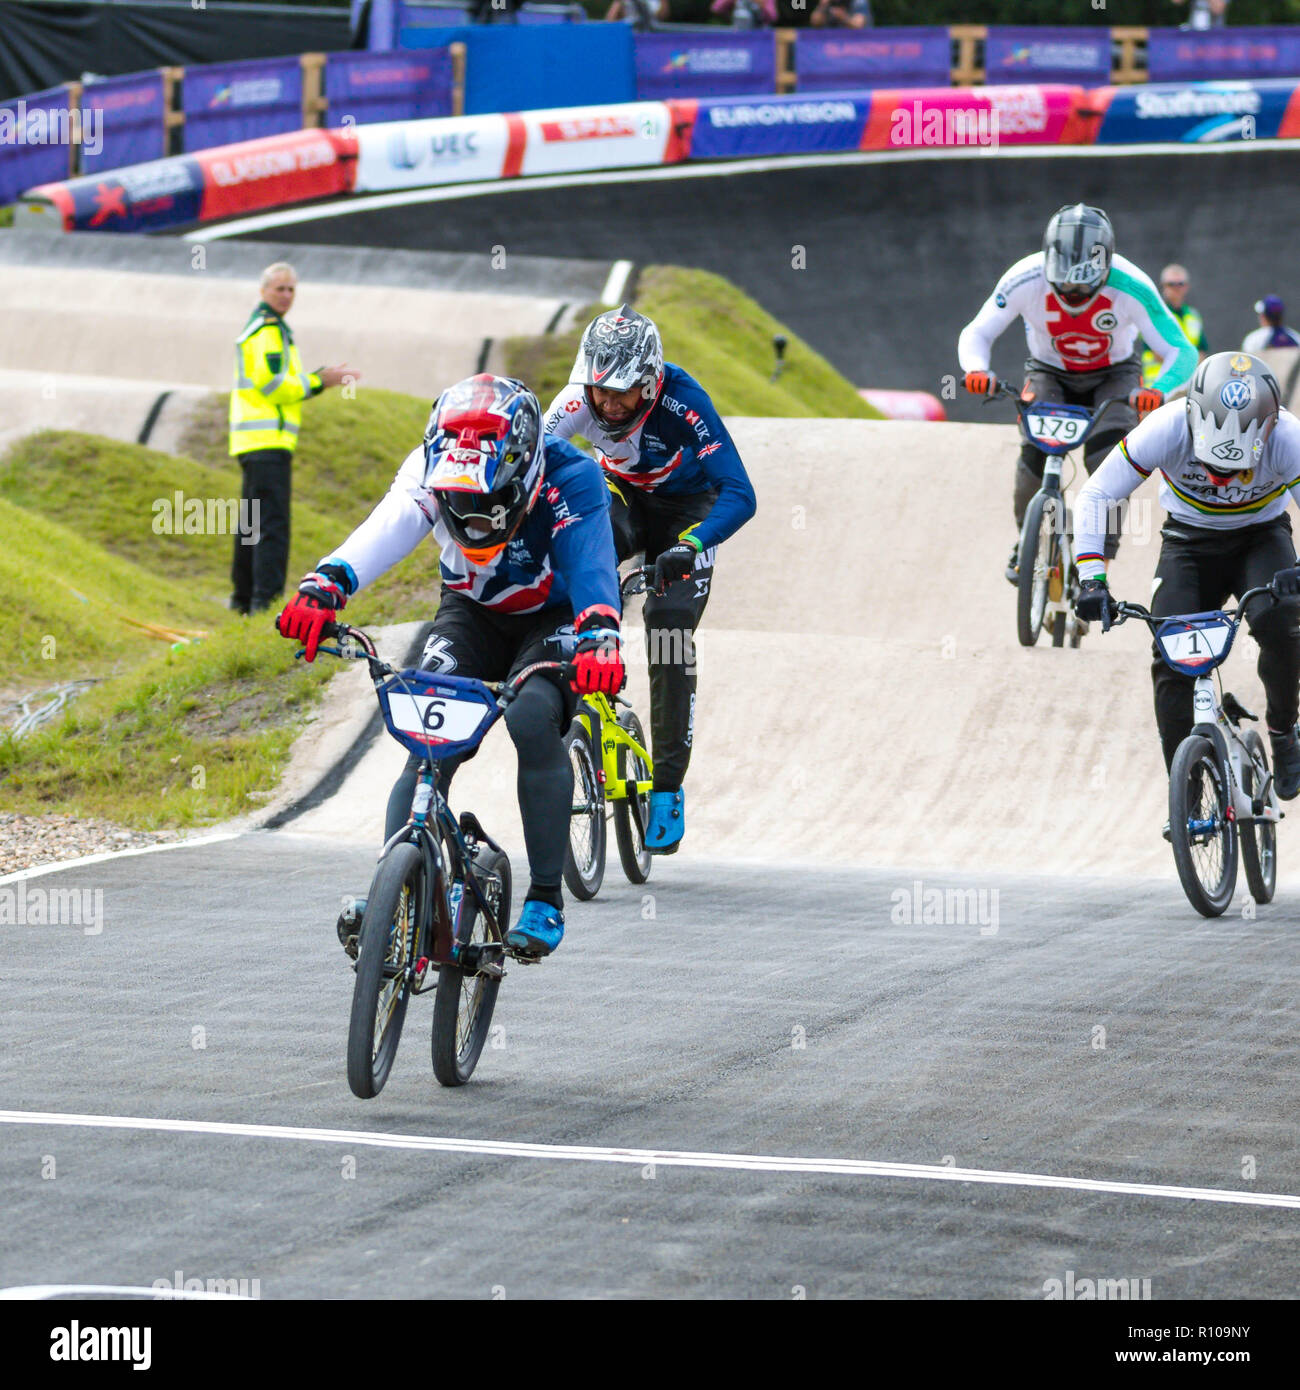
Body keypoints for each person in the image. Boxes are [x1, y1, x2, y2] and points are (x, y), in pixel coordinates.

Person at [276, 374, 623, 959]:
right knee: (430, 740)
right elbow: (388, 526)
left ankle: (544, 897)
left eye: (488, 505)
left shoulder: (573, 477)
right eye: (460, 504)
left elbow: (592, 564)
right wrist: (327, 582)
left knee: (532, 719)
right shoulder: (432, 464)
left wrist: (601, 635)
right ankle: (396, 894)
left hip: (555, 617)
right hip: (471, 610)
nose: (474, 521)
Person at [543, 305, 757, 854]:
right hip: (619, 497)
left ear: (650, 381)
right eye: (599, 391)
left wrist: (691, 545)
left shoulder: (684, 401)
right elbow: (531, 475)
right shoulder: (572, 403)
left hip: (688, 511)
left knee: (668, 626)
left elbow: (741, 495)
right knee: (571, 567)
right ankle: (584, 678)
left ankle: (666, 787)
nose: (608, 405)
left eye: (622, 394)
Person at [1073, 352, 1300, 813]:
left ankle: (1283, 728)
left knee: (1280, 623)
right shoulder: (1166, 425)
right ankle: (1188, 786)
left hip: (1261, 538)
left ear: (1267, 433)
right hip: (1189, 544)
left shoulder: (1290, 438)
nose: (1220, 480)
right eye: (1211, 466)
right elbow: (1097, 492)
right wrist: (1091, 576)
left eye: (1234, 470)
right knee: (1170, 654)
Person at [958, 204, 1198, 583]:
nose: (1072, 294)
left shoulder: (1132, 285)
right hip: (1049, 372)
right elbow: (977, 333)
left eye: (1083, 286)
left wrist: (1158, 390)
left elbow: (1182, 351)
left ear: (1105, 270)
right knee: (1034, 457)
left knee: (1110, 462)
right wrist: (976, 370)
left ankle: (1096, 568)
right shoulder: (1024, 277)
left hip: (1115, 376)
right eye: (1063, 285)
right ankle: (1028, 539)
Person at [229, 262, 354, 615]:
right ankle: (264, 604)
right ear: (263, 291)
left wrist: (316, 377)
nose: (285, 295)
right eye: (279, 288)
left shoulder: (268, 328)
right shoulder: (268, 331)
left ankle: (243, 603)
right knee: (272, 525)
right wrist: (319, 381)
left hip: (258, 443)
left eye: (291, 289)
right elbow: (272, 385)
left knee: (252, 523)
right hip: (267, 441)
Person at [1141, 264, 1208, 388]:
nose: (1176, 288)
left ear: (1186, 287)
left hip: (1188, 386)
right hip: (1159, 386)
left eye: (1180, 284)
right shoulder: (1154, 314)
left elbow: (1202, 351)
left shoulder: (1193, 315)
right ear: (1163, 286)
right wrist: (1190, 362)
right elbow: (1158, 354)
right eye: (1171, 284)